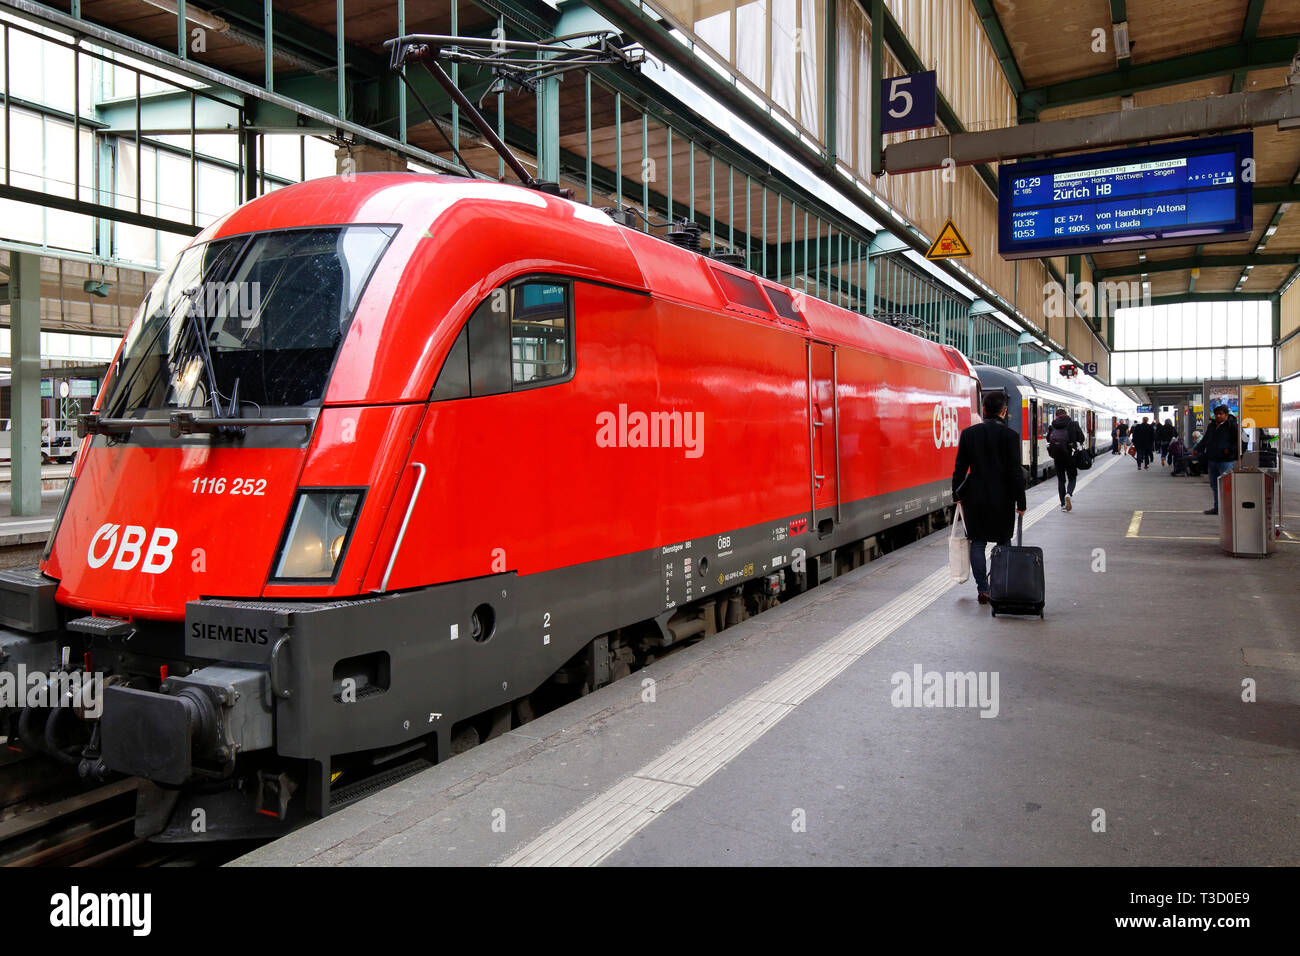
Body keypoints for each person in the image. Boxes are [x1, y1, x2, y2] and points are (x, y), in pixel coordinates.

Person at [951, 391, 1027, 605]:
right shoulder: (1011, 436)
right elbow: (1015, 472)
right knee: (1003, 542)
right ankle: (999, 585)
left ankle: (983, 589)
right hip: (1003, 498)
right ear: (1004, 411)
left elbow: (959, 468)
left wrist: (956, 493)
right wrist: (1021, 502)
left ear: (984, 409)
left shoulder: (968, 434)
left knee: (977, 543)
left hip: (975, 497)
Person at [1194, 406, 1239, 515]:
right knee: (1214, 485)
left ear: (1226, 415)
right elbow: (1205, 439)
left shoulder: (1233, 426)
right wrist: (1197, 449)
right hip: (1213, 459)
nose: (1218, 416)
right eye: (1216, 414)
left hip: (1226, 461)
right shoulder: (1212, 426)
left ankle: (1228, 508)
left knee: (1226, 486)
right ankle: (1217, 507)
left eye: (1221, 414)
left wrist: (1230, 451)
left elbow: (1242, 440)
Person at [1045, 407, 1086, 511]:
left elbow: (1048, 439)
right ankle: (1068, 494)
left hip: (1057, 456)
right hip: (1071, 455)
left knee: (1061, 480)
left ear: (1056, 416)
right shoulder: (1073, 424)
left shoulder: (1053, 426)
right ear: (1067, 414)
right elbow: (1081, 438)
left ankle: (1063, 504)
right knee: (1072, 477)